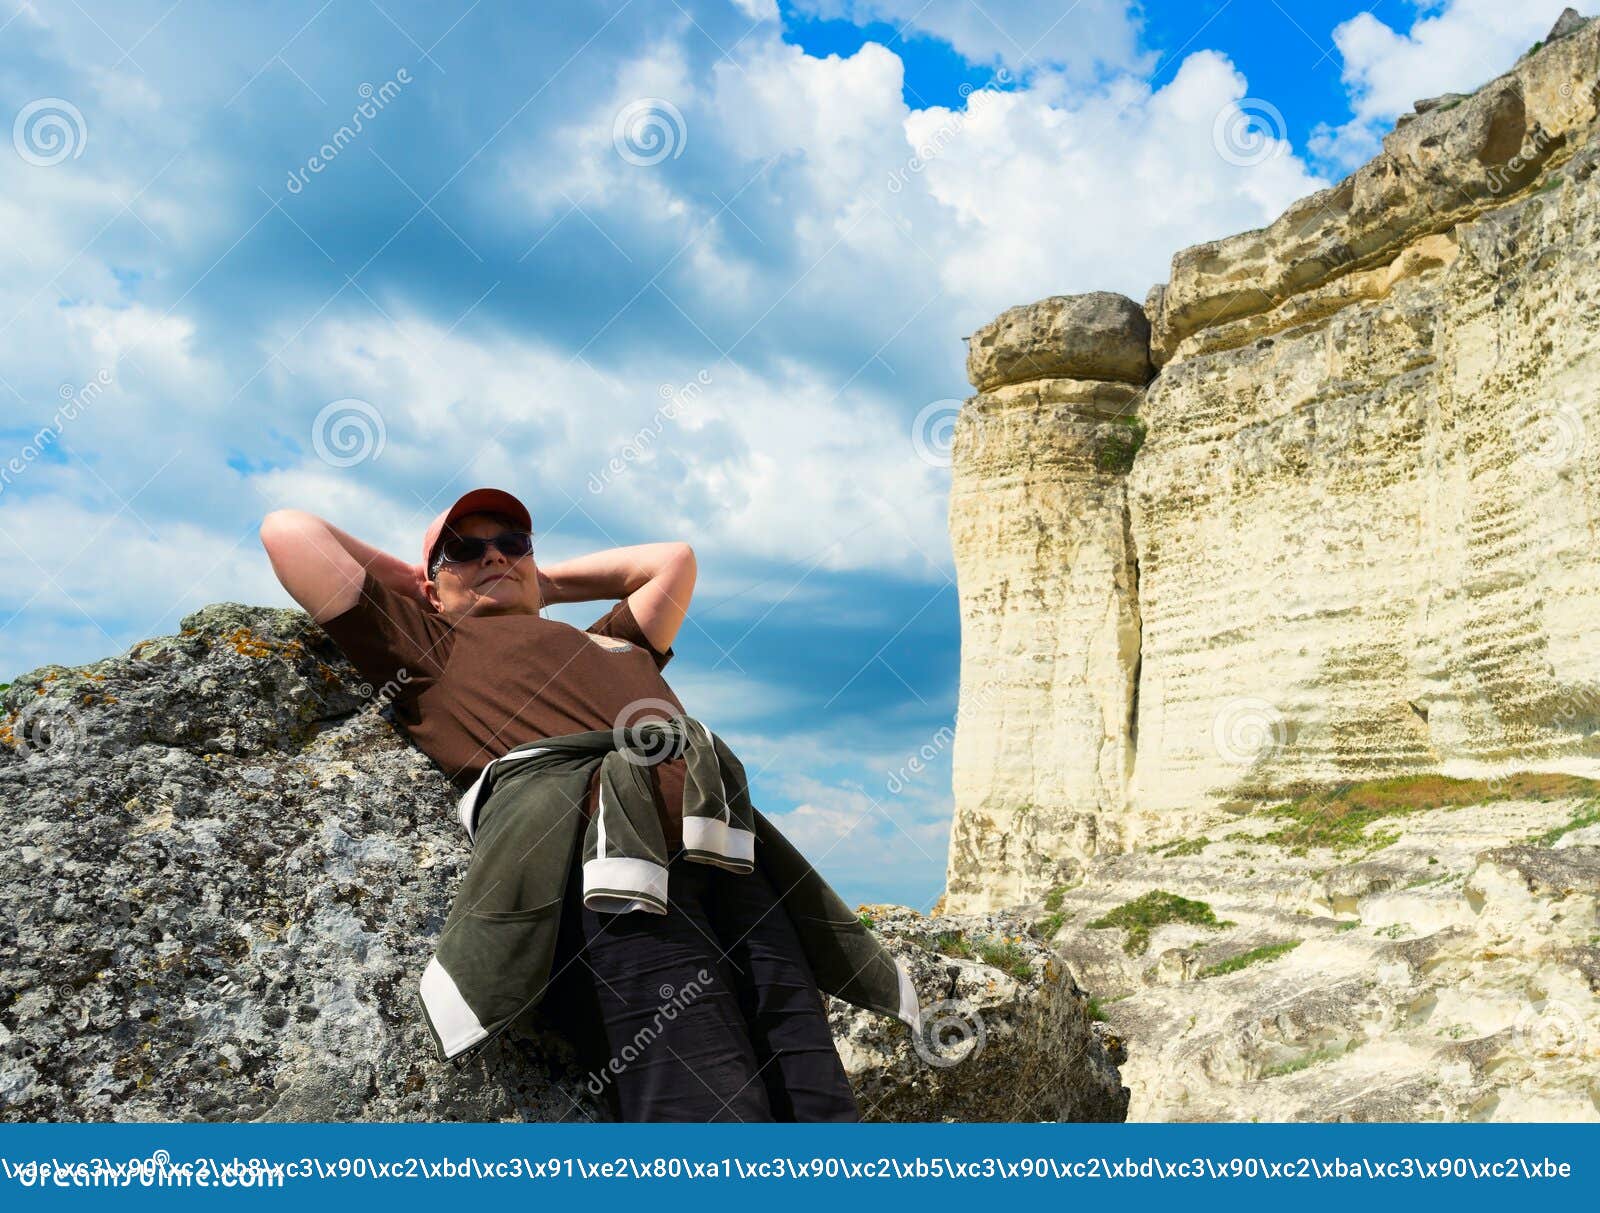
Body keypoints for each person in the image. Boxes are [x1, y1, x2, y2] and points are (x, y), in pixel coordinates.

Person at [257, 488, 863, 1122]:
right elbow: (289, 531)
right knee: (704, 1101)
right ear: (430, 588)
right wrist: (418, 582)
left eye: (512, 544)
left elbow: (673, 561)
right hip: (614, 876)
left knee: (812, 1086)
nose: (494, 556)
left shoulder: (612, 643)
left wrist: (537, 584)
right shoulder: (427, 648)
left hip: (730, 862)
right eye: (464, 549)